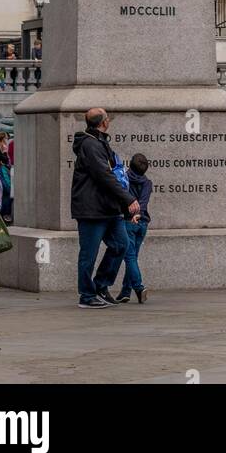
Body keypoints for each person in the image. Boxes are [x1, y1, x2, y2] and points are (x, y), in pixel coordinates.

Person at [71, 107, 140, 309]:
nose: (109, 120)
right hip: (92, 209)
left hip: (109, 208)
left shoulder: (101, 142)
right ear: (103, 122)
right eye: (107, 118)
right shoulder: (90, 145)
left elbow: (114, 175)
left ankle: (101, 285)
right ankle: (86, 295)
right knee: (88, 255)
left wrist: (124, 208)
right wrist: (128, 199)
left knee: (121, 245)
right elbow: (105, 176)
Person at [118, 153, 151, 304]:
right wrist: (140, 214)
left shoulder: (125, 179)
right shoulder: (147, 183)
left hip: (129, 221)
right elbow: (143, 202)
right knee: (133, 258)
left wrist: (134, 214)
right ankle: (125, 292)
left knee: (129, 258)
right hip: (143, 223)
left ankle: (138, 287)